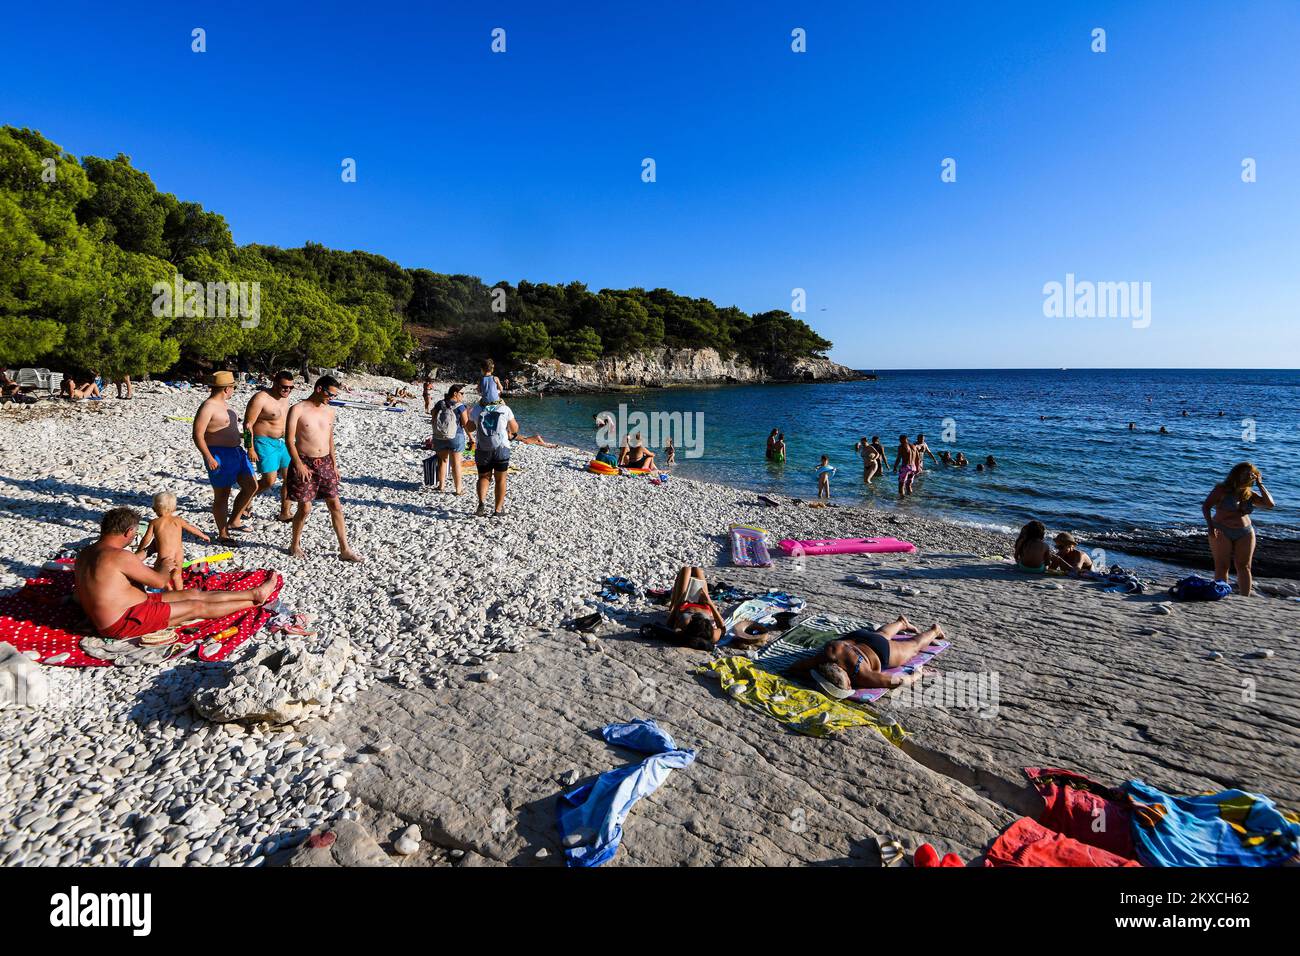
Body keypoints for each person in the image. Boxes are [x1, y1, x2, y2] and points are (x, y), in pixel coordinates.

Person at [76, 507, 276, 638]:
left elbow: (116, 571)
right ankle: (255, 602)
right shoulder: (120, 556)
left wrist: (147, 552)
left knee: (193, 593)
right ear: (129, 532)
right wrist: (164, 566)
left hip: (128, 608)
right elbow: (159, 582)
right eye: (134, 534)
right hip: (124, 621)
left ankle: (253, 593)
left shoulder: (86, 553)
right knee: (195, 606)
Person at [286, 376, 363, 561]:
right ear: (319, 389)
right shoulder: (297, 409)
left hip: (326, 462)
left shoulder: (329, 412)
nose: (332, 398)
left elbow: (329, 439)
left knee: (335, 504)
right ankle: (294, 545)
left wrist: (335, 464)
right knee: (304, 508)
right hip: (304, 461)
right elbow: (289, 440)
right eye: (330, 394)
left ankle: (345, 549)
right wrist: (298, 465)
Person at [789, 615, 944, 694]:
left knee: (913, 647)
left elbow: (900, 680)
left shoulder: (862, 675)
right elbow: (794, 667)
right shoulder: (824, 657)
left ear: (849, 682)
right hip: (858, 637)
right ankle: (901, 623)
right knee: (881, 634)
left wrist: (918, 674)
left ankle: (935, 631)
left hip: (880, 652)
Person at [193, 371, 258, 544]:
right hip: (218, 454)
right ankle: (223, 534)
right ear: (227, 388)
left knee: (251, 486)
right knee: (222, 495)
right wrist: (208, 457)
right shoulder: (208, 406)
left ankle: (235, 520)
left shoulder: (228, 407)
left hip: (237, 452)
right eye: (233, 388)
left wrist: (246, 437)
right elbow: (197, 435)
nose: (233, 391)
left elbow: (230, 430)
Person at [1202, 462, 1275, 596]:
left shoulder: (1249, 494)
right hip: (1221, 530)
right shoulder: (1221, 489)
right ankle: (1221, 594)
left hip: (1245, 532)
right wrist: (1210, 527)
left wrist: (1260, 484)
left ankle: (1244, 598)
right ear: (1236, 474)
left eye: (1250, 474)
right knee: (1222, 566)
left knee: (1245, 567)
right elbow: (1206, 506)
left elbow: (1270, 504)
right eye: (1244, 473)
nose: (1246, 476)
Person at [236, 370, 296, 525]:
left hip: (283, 442)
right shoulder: (261, 398)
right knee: (269, 480)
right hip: (264, 442)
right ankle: (246, 498)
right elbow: (248, 424)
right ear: (274, 383)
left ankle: (285, 512)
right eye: (284, 387)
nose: (287, 390)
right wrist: (250, 448)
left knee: (290, 478)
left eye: (291, 388)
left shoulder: (285, 398)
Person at [135, 492, 211, 590]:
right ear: (174, 509)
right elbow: (191, 528)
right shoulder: (178, 520)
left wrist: (140, 549)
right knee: (176, 576)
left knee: (159, 574)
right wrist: (203, 535)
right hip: (178, 556)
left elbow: (147, 538)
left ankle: (169, 591)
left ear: (154, 509)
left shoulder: (154, 522)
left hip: (164, 557)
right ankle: (180, 595)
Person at [469, 392, 519, 517]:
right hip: (501, 448)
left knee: (483, 477)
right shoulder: (504, 409)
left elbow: (469, 428)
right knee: (500, 479)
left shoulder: (477, 409)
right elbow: (515, 429)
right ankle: (497, 510)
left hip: (482, 448)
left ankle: (481, 504)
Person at [666, 566, 726, 649]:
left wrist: (679, 602)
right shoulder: (712, 636)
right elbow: (722, 629)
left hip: (684, 604)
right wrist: (710, 603)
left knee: (686, 569)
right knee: (697, 570)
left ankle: (672, 603)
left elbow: (668, 624)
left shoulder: (684, 626)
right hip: (704, 605)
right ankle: (675, 601)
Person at [431, 384, 471, 494]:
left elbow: (433, 417)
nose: (463, 395)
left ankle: (441, 486)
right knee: (456, 464)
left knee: (442, 461)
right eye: (462, 393)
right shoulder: (460, 406)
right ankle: (458, 490)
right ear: (455, 393)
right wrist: (471, 437)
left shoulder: (440, 403)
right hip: (455, 436)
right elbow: (466, 424)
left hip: (439, 436)